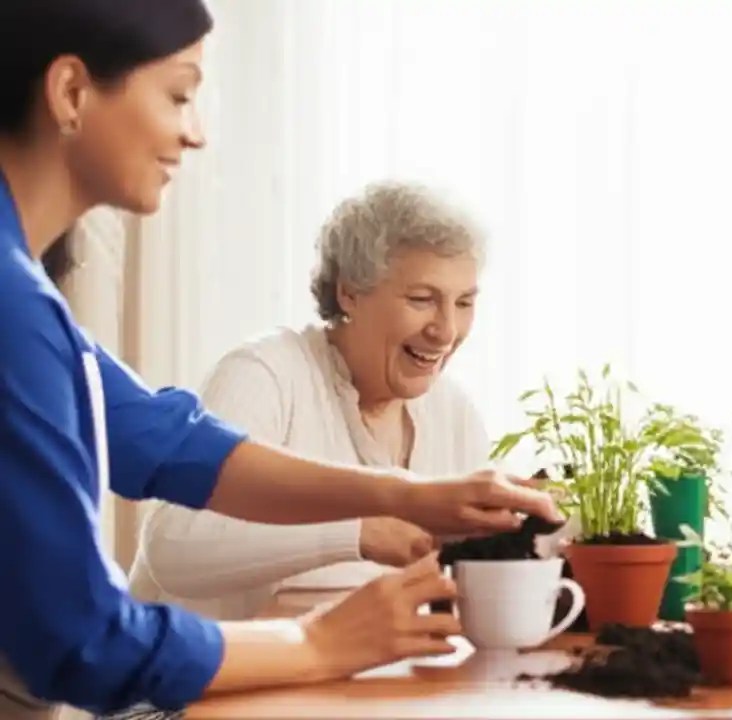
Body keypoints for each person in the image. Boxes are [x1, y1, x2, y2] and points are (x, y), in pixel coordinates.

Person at [0, 2, 561, 718]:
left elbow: (168, 443)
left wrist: (405, 493)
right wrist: (318, 642)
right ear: (72, 93)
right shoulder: (12, 311)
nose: (195, 132)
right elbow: (85, 639)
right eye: (178, 94)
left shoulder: (27, 304)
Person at [129, 181, 492, 620]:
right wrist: (357, 531)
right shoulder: (267, 375)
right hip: (193, 679)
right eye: (421, 300)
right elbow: (173, 546)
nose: (447, 329)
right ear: (349, 294)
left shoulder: (453, 414)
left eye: (465, 302)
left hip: (340, 679)